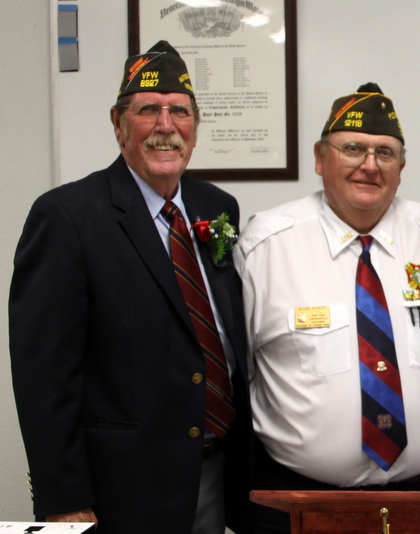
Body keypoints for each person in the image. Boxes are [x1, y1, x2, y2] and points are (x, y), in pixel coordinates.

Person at [9, 41, 252, 534]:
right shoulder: (67, 217)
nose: (166, 126)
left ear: (195, 128)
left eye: (179, 111)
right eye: (148, 111)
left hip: (216, 473)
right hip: (119, 491)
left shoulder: (217, 207)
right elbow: (44, 376)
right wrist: (63, 499)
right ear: (118, 125)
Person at [234, 83, 420, 533]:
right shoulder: (266, 247)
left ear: (402, 167)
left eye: (385, 153)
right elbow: (235, 371)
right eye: (353, 149)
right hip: (296, 504)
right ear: (320, 158)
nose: (370, 165)